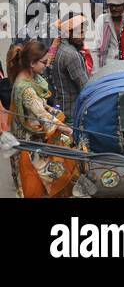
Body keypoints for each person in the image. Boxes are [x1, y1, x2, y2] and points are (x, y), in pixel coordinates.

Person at [6, 38, 77, 197]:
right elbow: (42, 115)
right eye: (44, 62)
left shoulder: (32, 77)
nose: (47, 65)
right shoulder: (26, 90)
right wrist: (68, 130)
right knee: (42, 184)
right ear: (32, 63)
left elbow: (42, 106)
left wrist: (54, 112)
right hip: (30, 146)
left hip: (37, 138)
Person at [47, 15, 90, 115]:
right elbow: (85, 87)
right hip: (71, 112)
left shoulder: (59, 46)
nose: (83, 36)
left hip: (60, 107)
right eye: (80, 33)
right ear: (68, 33)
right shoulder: (71, 55)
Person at [95, 0, 124, 69]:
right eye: (111, 5)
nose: (114, 8)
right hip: (107, 66)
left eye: (117, 5)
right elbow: (96, 47)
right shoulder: (102, 20)